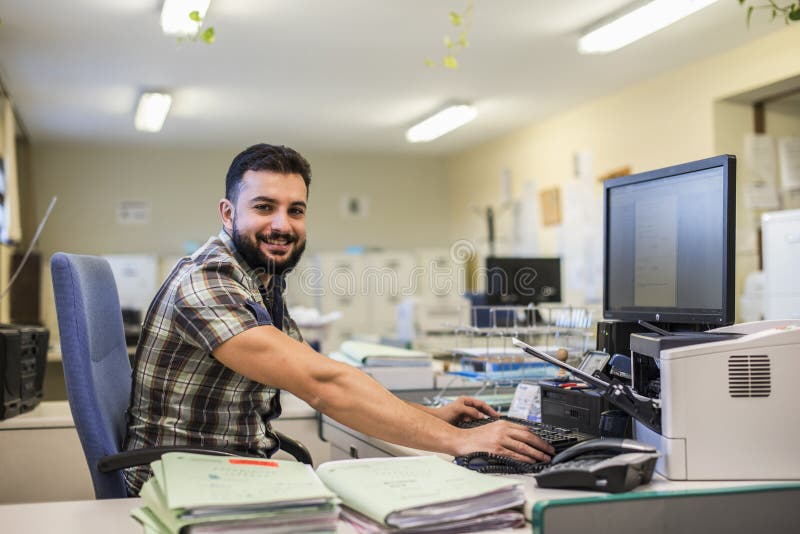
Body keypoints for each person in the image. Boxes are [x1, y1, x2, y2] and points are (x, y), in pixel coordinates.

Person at [122, 143, 554, 495]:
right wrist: (462, 440)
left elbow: (320, 370)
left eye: (295, 210)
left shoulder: (257, 279)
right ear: (228, 213)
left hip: (223, 475)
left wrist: (429, 414)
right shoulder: (208, 281)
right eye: (264, 207)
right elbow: (323, 386)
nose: (282, 224)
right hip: (181, 487)